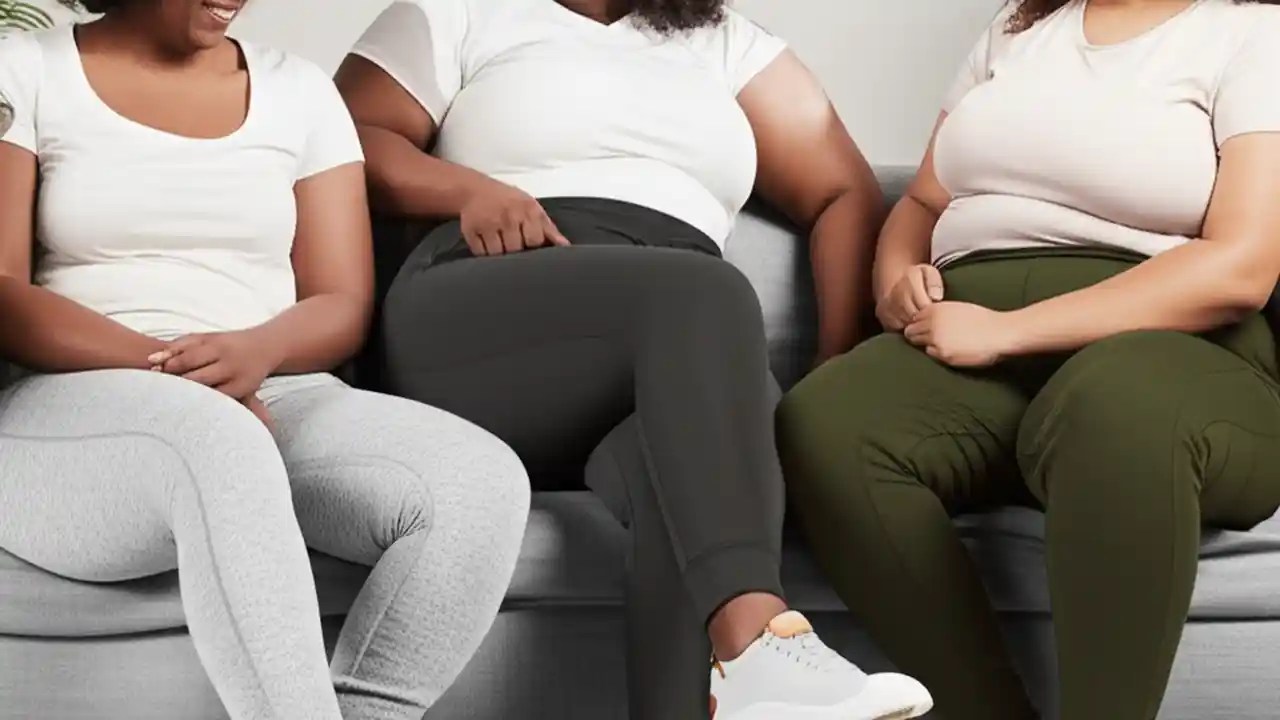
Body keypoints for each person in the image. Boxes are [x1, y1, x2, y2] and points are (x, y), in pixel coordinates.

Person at [334, 0, 933, 718]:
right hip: (482, 307)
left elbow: (844, 190)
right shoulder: (462, 12)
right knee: (704, 299)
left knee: (708, 467)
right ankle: (756, 643)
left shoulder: (729, 45)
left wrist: (832, 372)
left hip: (669, 344)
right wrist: (468, 189)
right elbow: (345, 135)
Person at [0, 1, 532, 718]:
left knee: (480, 483)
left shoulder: (300, 90)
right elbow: (3, 294)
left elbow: (341, 300)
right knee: (221, 441)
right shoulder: (28, 68)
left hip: (268, 385)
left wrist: (258, 350)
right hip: (80, 401)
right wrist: (177, 371)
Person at [777, 1, 1280, 719]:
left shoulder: (1254, 32)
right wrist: (894, 282)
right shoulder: (1018, 27)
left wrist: (1008, 331)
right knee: (824, 419)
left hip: (1180, 348)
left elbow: (1243, 266)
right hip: (974, 346)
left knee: (1117, 405)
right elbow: (921, 201)